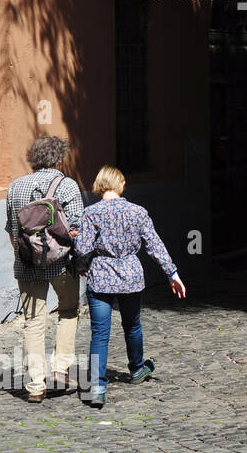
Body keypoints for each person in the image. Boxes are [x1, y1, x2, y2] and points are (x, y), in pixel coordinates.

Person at [73, 166, 186, 408]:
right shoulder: (138, 212)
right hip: (130, 277)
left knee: (99, 334)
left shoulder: (91, 213)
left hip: (101, 276)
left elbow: (81, 248)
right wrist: (172, 273)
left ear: (100, 184)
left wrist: (82, 264)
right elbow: (155, 245)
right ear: (120, 184)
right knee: (132, 325)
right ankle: (136, 368)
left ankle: (96, 386)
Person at [5, 135, 85, 402]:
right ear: (60, 159)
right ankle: (60, 370)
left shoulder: (15, 186)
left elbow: (11, 231)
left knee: (33, 322)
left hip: (26, 264)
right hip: (61, 263)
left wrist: (26, 253)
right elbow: (77, 229)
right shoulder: (67, 185)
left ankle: (35, 387)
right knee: (69, 310)